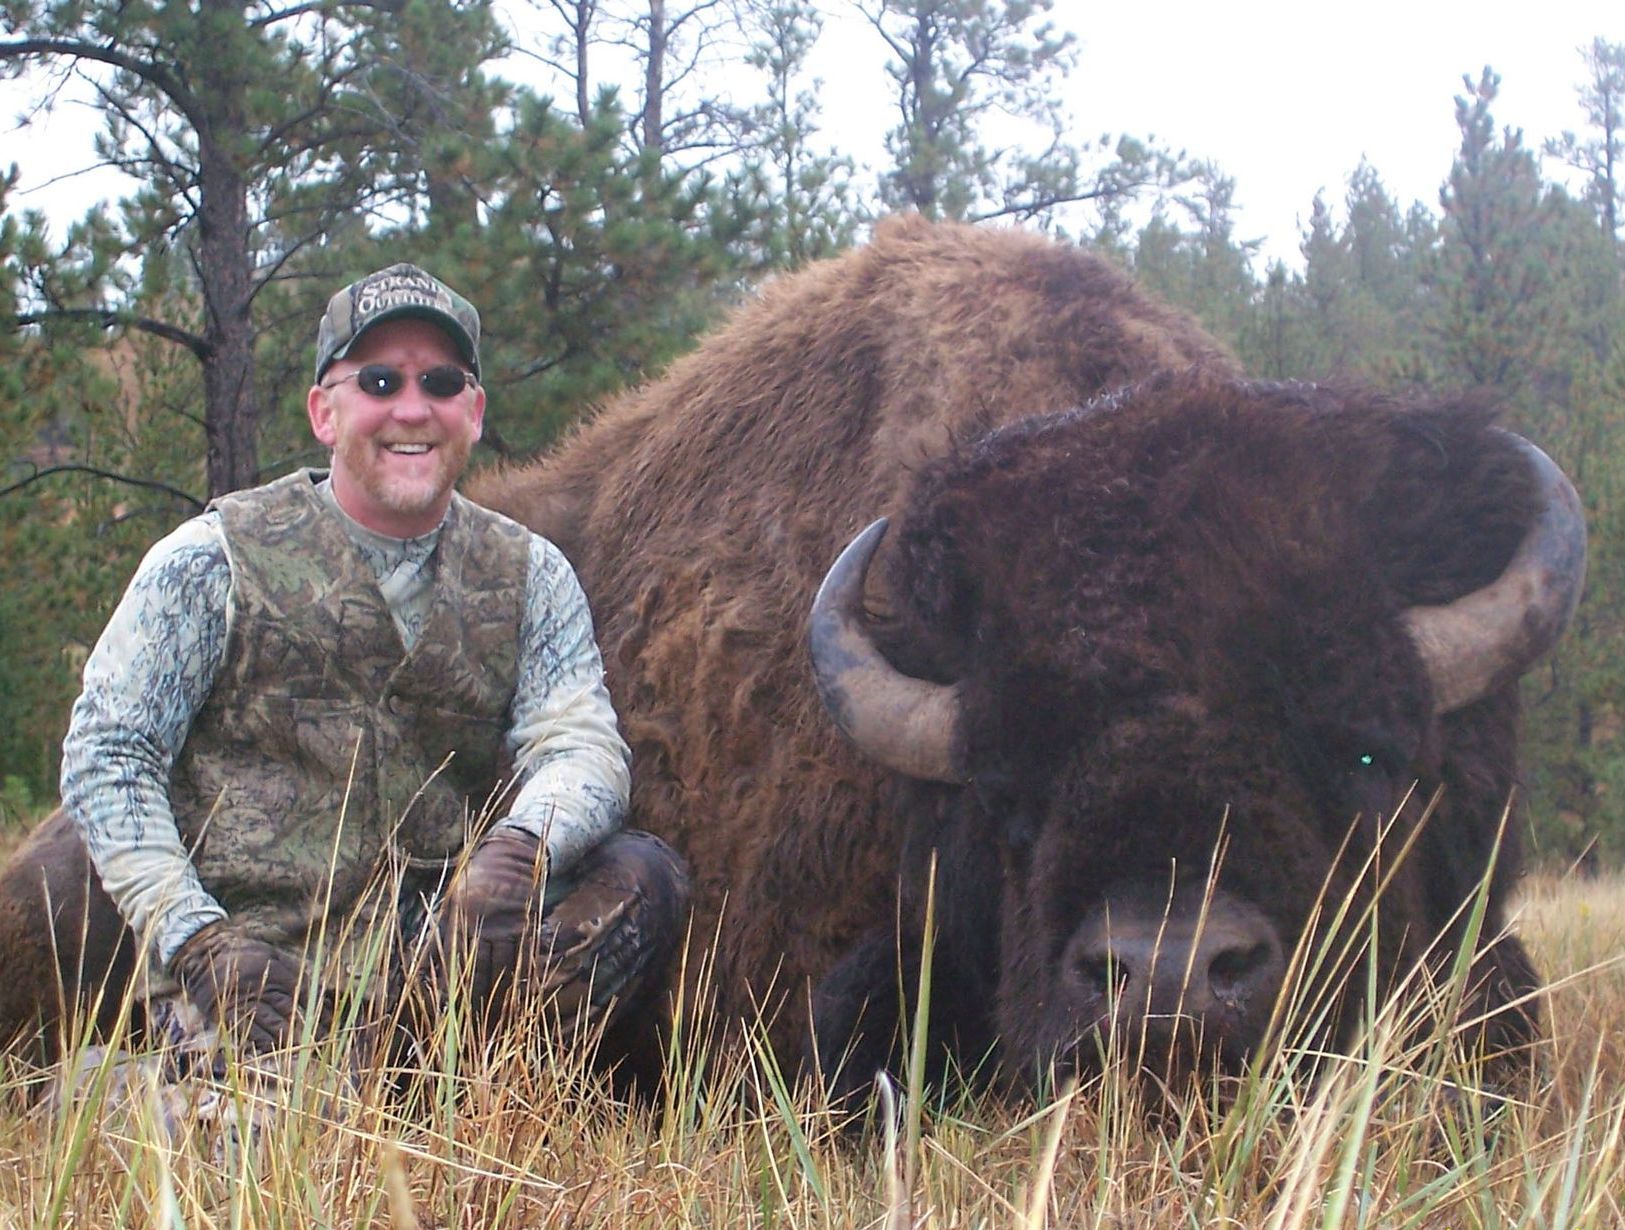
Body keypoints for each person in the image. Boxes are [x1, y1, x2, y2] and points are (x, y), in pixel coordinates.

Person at [0, 263, 688, 1069]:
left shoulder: (530, 575)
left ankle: (453, 1078)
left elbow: (581, 747)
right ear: (325, 411)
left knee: (642, 876)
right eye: (379, 379)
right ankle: (152, 1080)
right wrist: (199, 942)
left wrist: (519, 850)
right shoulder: (209, 559)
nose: (410, 406)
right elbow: (108, 761)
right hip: (249, 963)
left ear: (471, 410)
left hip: (431, 960)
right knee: (234, 1152)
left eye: (439, 380)